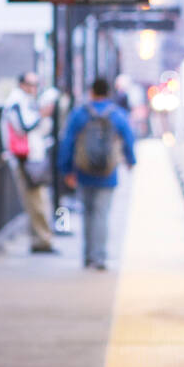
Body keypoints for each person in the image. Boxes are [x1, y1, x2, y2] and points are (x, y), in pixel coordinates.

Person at [59, 78, 137, 270]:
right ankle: (99, 257)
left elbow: (67, 142)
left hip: (84, 172)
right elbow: (129, 138)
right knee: (102, 214)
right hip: (108, 174)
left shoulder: (79, 114)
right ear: (109, 92)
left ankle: (87, 256)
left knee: (88, 213)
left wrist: (66, 170)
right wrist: (131, 161)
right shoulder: (117, 114)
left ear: (91, 91)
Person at [2, 72, 56, 253]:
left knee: (38, 201)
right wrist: (41, 114)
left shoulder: (23, 101)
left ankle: (41, 239)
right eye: (31, 84)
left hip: (31, 158)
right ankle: (42, 240)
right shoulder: (16, 102)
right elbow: (23, 127)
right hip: (25, 160)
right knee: (36, 202)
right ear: (22, 84)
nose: (34, 88)